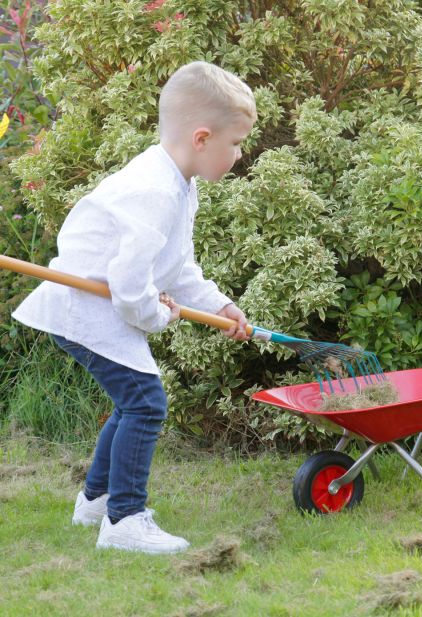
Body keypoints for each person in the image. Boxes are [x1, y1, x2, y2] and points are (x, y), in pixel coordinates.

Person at [12, 61, 256, 554]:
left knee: (134, 402)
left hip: (102, 310)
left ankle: (97, 501)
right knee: (146, 403)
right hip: (86, 310)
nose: (239, 154)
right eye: (236, 143)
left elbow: (176, 267)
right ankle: (124, 520)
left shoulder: (179, 183)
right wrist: (159, 315)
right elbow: (128, 287)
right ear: (202, 138)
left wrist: (221, 305)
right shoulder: (154, 191)